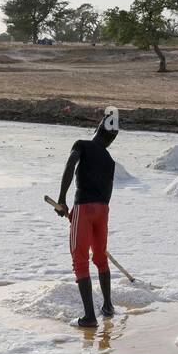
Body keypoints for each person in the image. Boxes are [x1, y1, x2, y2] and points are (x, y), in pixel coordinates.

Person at [54, 107, 119, 327]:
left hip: (84, 207)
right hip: (103, 211)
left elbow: (71, 165)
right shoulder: (110, 160)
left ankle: (89, 317)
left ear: (98, 128)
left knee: (79, 260)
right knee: (100, 258)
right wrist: (92, 214)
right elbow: (107, 193)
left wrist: (62, 199)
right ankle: (108, 306)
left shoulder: (82, 145)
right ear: (112, 139)